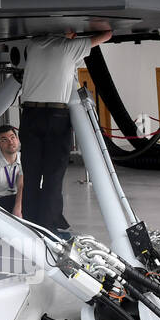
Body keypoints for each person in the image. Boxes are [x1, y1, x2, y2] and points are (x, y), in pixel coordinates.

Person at [19, 29, 112, 238]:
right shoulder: (68, 47)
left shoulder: (34, 44)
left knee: (31, 174)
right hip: (55, 115)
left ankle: (30, 222)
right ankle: (49, 225)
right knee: (53, 174)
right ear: (67, 35)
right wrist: (78, 37)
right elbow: (107, 34)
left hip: (29, 114)